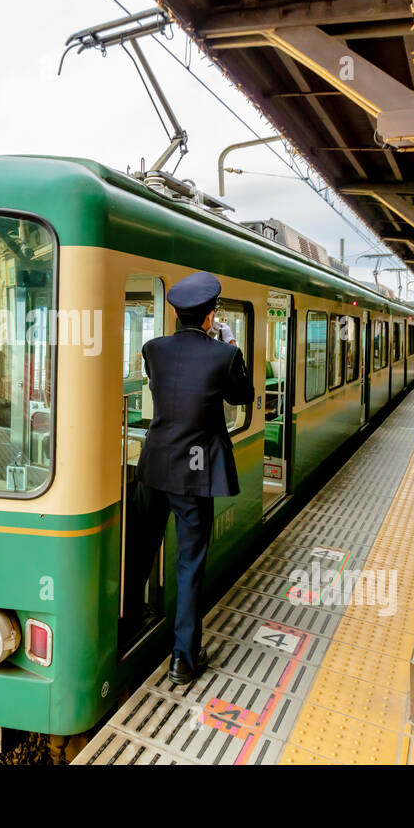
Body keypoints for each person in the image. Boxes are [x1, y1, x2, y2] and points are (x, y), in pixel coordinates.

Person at [133, 271, 254, 685]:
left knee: (140, 550)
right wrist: (232, 346)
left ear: (177, 313)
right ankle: (182, 659)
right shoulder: (224, 355)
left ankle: (130, 620)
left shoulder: (153, 350)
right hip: (195, 471)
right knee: (189, 565)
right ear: (211, 315)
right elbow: (242, 396)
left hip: (154, 465)